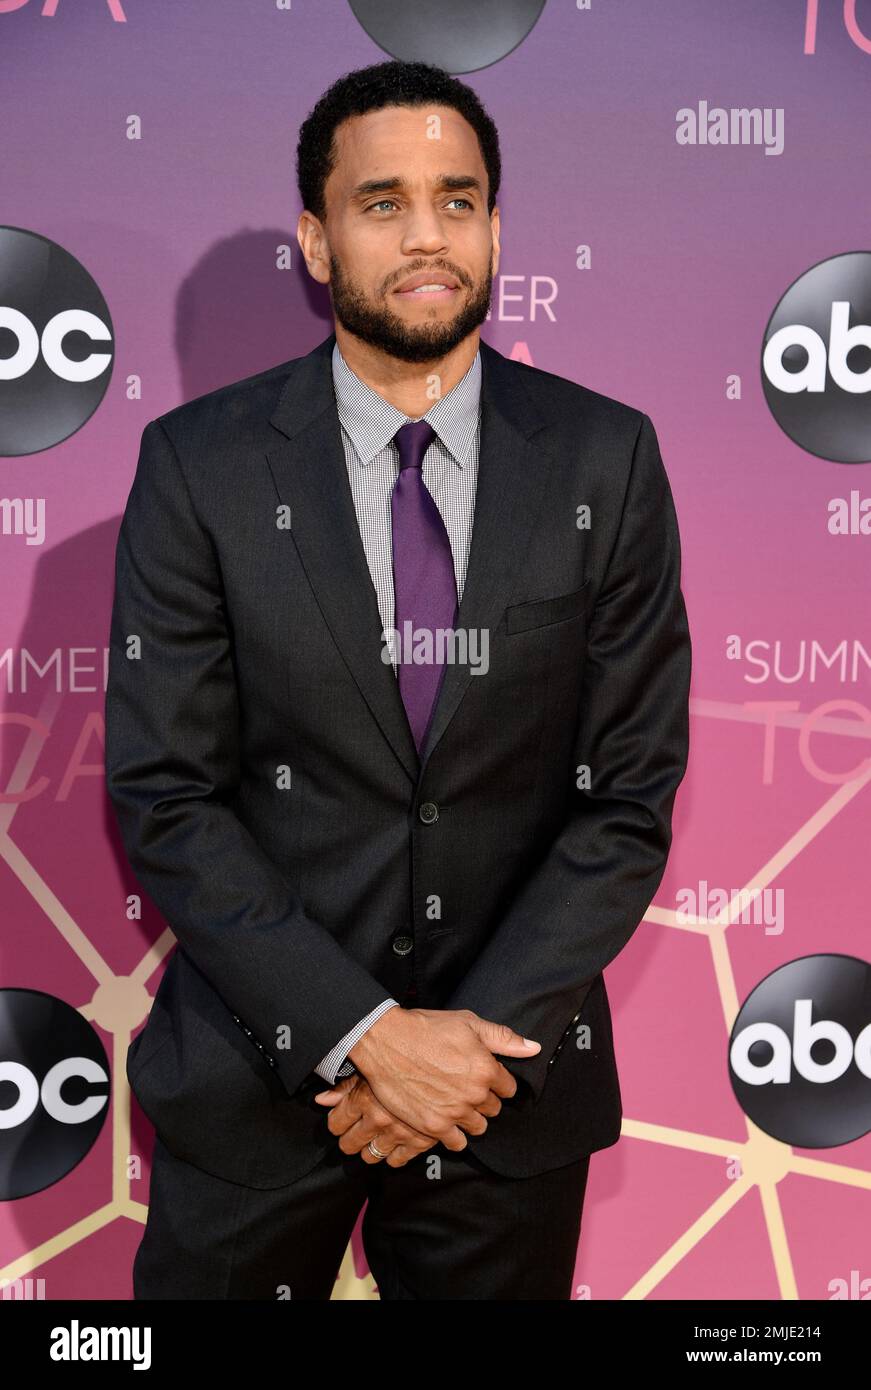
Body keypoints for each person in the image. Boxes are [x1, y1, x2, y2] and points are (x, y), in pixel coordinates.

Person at [105, 58, 691, 1301]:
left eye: (458, 198)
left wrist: (458, 1061)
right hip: (256, 1082)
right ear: (317, 243)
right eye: (382, 203)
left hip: (504, 1096)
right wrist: (365, 1037)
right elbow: (168, 792)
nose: (427, 235)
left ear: (495, 226)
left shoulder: (606, 457)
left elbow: (626, 796)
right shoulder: (198, 468)